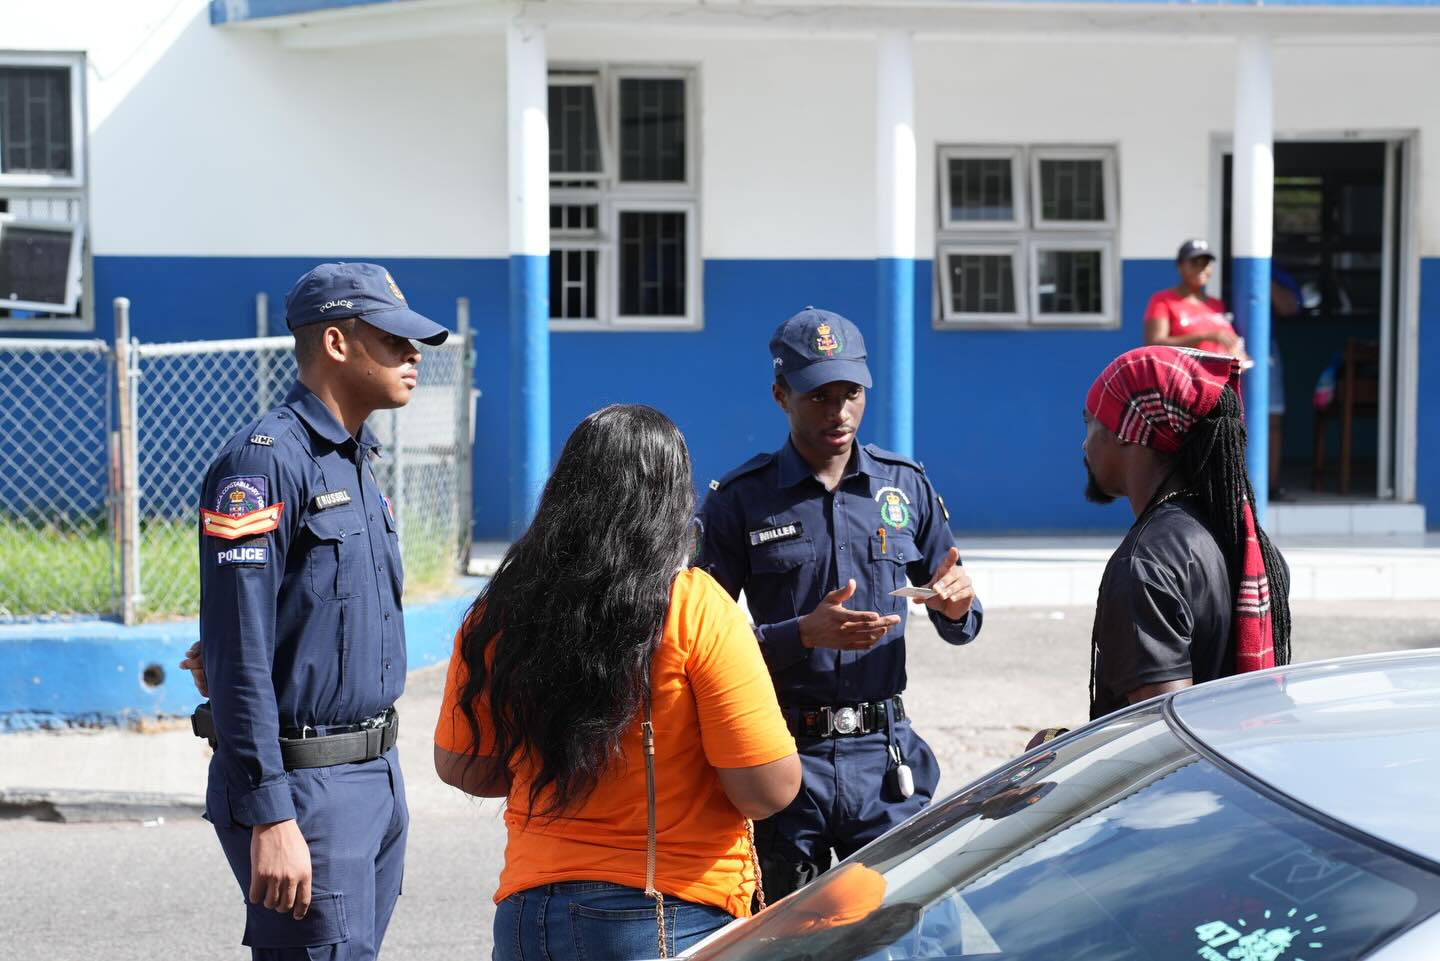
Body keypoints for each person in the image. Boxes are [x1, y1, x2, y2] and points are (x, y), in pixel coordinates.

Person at [433, 404, 800, 961]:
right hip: (665, 914)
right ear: (672, 501)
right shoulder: (694, 607)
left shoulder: (500, 609)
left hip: (528, 917)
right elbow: (766, 789)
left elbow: (465, 766)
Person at [191, 262, 449, 960]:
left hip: (374, 776)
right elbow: (238, 652)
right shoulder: (266, 461)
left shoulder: (353, 459)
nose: (412, 353)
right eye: (392, 338)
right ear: (336, 343)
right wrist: (270, 812)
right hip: (306, 787)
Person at [695, 307, 983, 902]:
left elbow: (958, 608)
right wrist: (801, 633)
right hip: (780, 757)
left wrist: (957, 608)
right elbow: (698, 643)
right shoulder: (739, 502)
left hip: (883, 758)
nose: (839, 412)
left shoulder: (903, 487)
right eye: (819, 396)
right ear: (781, 395)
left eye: (851, 393)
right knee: (780, 933)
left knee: (904, 925)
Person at [1081, 345, 1292, 720]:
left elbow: (1165, 737)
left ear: (1128, 432)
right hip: (1244, 767)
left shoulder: (1145, 564)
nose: (1084, 444)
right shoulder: (1250, 543)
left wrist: (1060, 751)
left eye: (1090, 423)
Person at [1143, 239, 1252, 365]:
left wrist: (1238, 355)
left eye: (1205, 264)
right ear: (1180, 266)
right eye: (1195, 263)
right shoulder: (1162, 300)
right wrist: (1205, 336)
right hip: (1183, 379)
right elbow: (1155, 344)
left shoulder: (1216, 304)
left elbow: (1230, 342)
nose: (1201, 269)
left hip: (1217, 380)